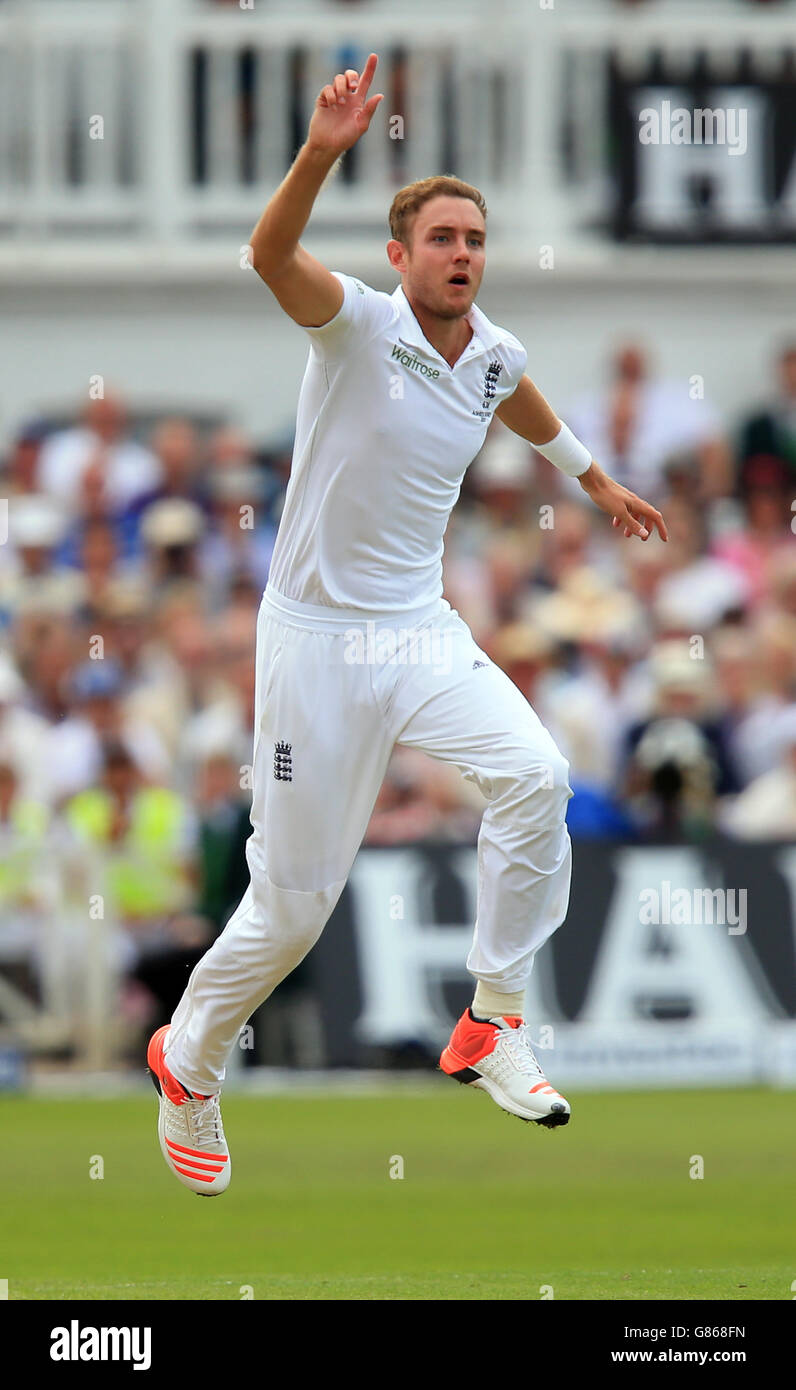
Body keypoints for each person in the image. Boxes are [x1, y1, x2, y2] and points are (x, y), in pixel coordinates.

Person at [146, 53, 667, 1196]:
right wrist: (322, 151)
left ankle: (492, 1018)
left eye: (474, 239)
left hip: (416, 629)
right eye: (441, 238)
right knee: (291, 907)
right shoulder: (357, 325)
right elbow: (269, 256)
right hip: (314, 641)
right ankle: (188, 1058)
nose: (462, 255)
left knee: (535, 776)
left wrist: (589, 479)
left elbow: (513, 392)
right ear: (400, 254)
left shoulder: (489, 352)